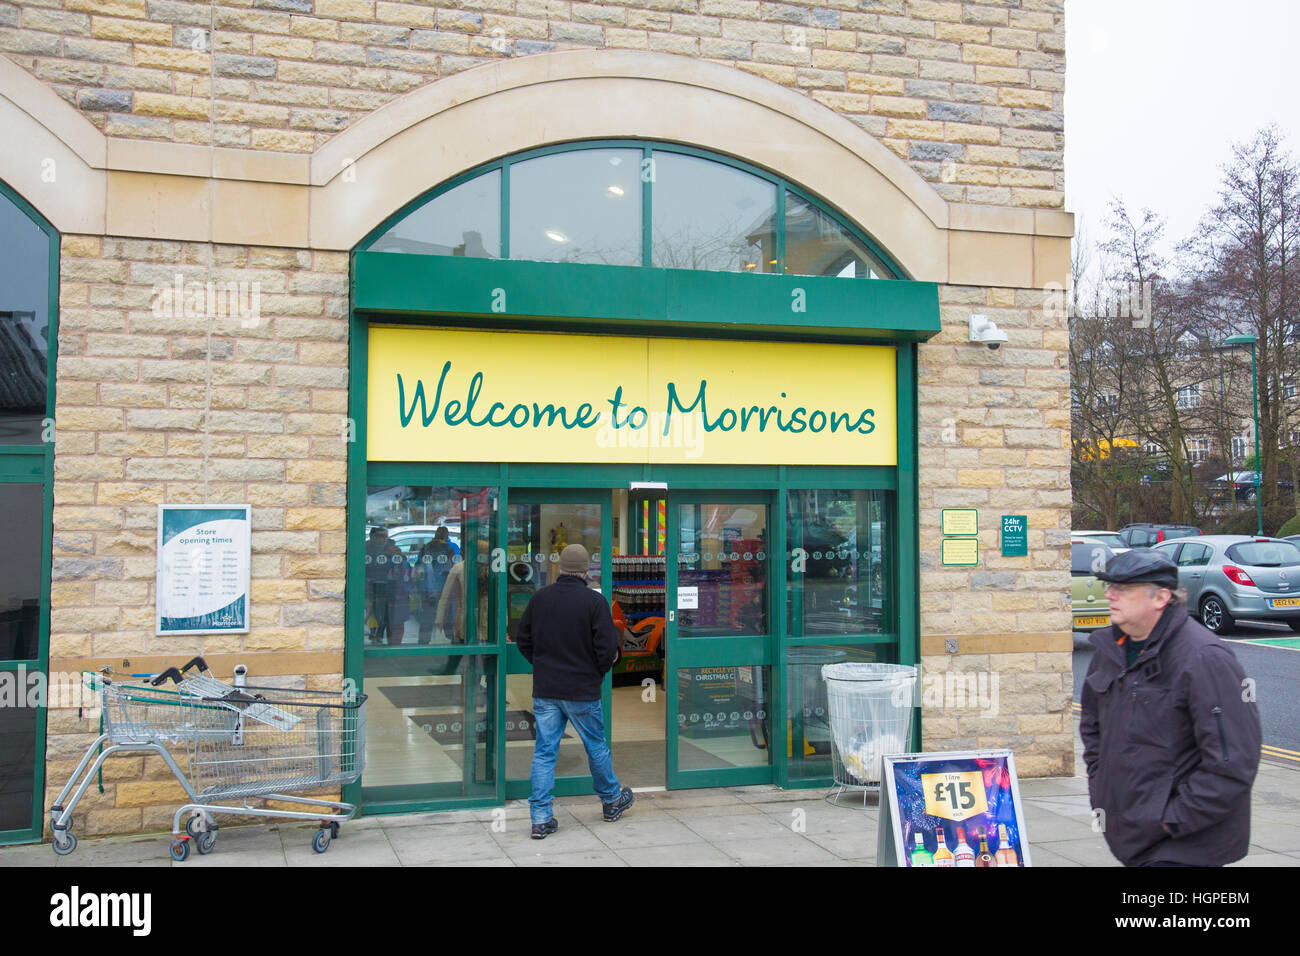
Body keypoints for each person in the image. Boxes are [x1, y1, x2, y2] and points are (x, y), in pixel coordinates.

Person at [1079, 548, 1261, 866]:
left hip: (1186, 844)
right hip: (1134, 835)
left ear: (1160, 598)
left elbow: (1233, 762)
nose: (1109, 595)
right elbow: (1093, 728)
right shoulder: (1109, 649)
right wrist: (1100, 786)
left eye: (1122, 589)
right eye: (1109, 586)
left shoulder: (1204, 657)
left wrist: (1170, 820)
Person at [516, 543, 633, 839]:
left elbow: (523, 640)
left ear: (559, 568)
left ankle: (541, 819)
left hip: (546, 690)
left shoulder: (539, 599)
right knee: (595, 746)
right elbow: (607, 649)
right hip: (582, 690)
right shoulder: (594, 602)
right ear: (585, 571)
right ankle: (611, 801)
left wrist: (541, 665)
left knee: (544, 752)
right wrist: (597, 672)